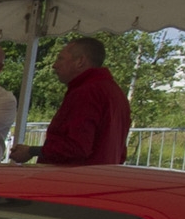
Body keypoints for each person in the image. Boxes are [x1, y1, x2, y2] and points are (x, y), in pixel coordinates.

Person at [15, 37, 133, 167]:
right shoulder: (116, 93)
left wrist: (31, 151)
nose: (55, 65)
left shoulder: (87, 92)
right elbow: (121, 152)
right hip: (103, 174)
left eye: (60, 58)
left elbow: (77, 147)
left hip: (76, 175)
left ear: (80, 61)